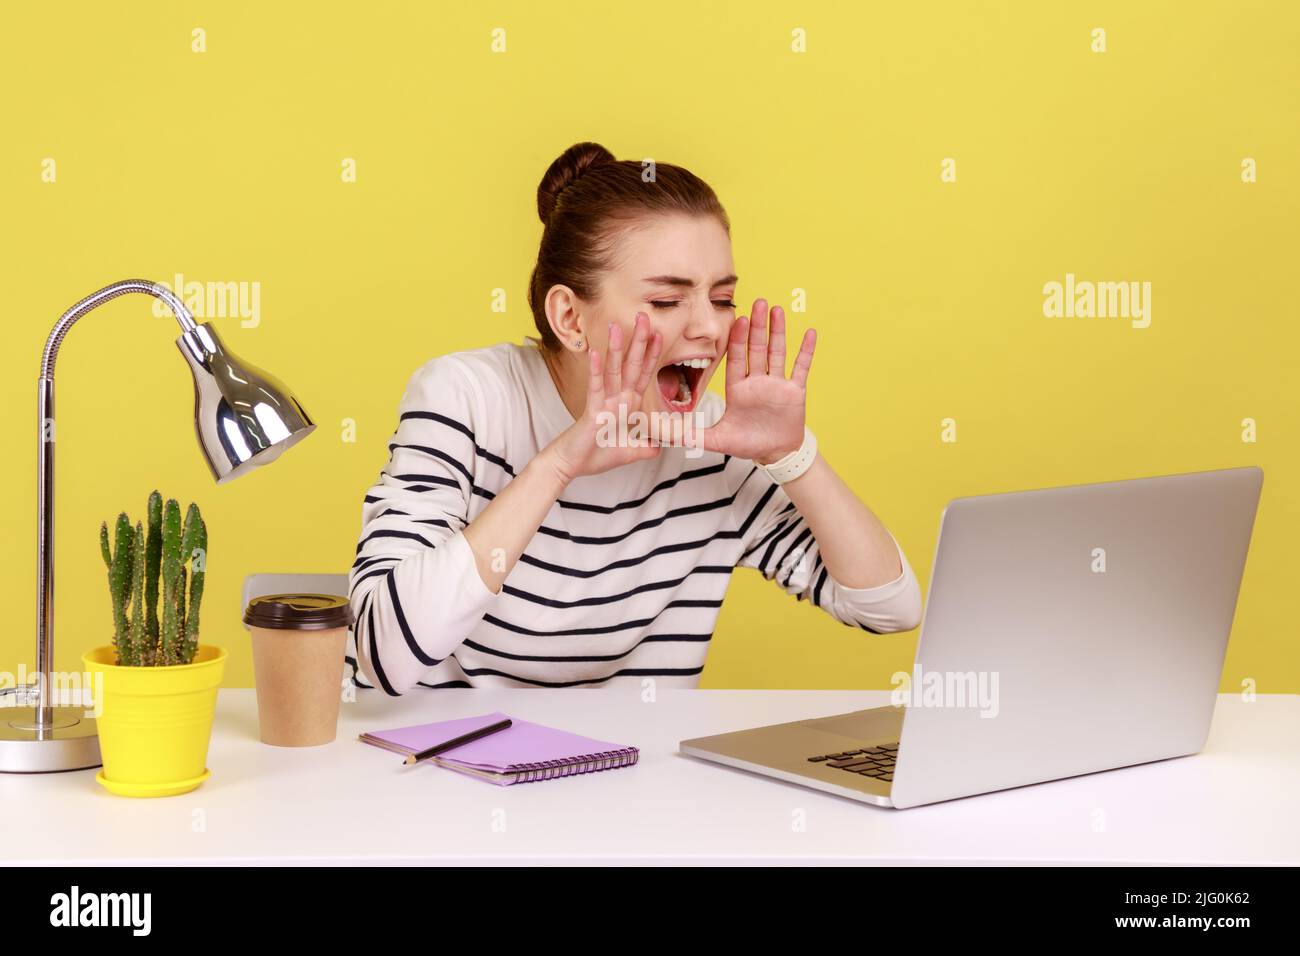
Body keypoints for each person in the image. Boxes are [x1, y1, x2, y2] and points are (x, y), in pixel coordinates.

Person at [347, 141, 922, 693]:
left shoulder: (716, 440)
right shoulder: (467, 398)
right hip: (437, 769)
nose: (709, 328)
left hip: (629, 781)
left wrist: (789, 458)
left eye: (722, 299)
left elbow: (890, 608)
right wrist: (557, 465)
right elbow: (383, 656)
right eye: (667, 301)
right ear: (570, 318)